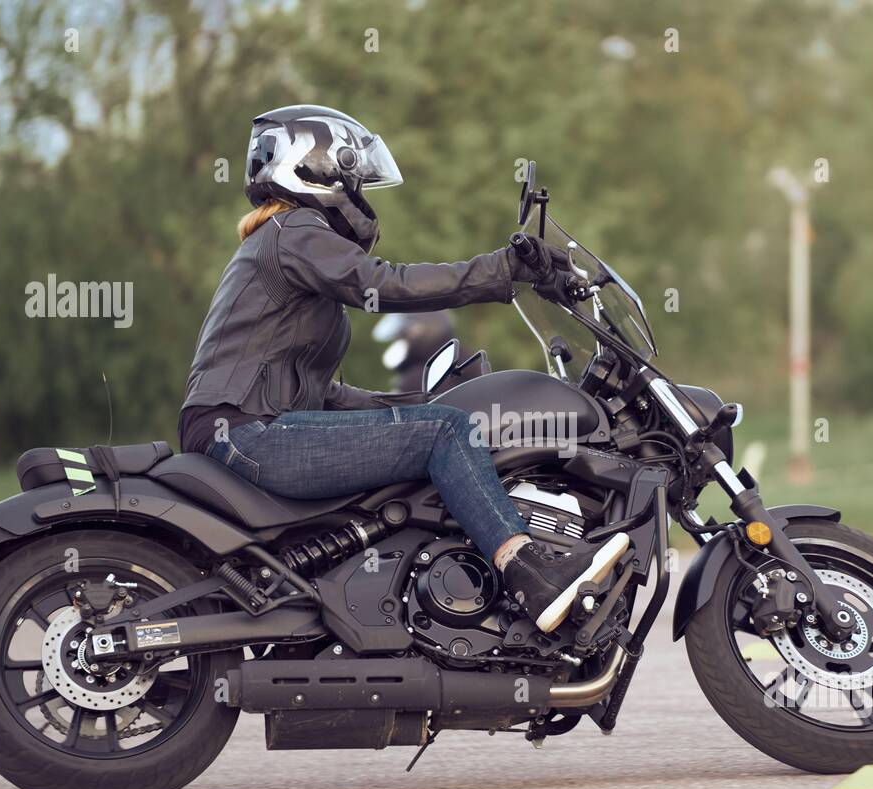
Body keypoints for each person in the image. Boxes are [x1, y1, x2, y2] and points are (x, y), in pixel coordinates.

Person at [178, 105, 628, 632]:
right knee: (445, 432)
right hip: (247, 433)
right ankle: (530, 571)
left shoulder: (281, 241)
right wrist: (504, 268)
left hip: (251, 427)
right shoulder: (293, 230)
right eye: (355, 178)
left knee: (440, 425)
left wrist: (422, 406)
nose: (361, 195)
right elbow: (387, 284)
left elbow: (321, 395)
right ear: (316, 168)